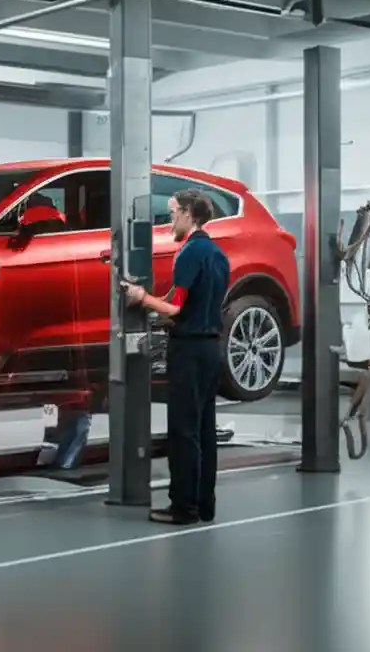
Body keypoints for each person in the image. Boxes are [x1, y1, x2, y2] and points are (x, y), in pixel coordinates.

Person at [124, 189, 230, 524]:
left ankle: (183, 508)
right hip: (212, 349)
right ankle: (204, 505)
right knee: (204, 431)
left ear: (188, 214)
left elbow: (175, 306)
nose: (170, 220)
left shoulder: (188, 254)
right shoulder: (218, 254)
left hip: (189, 350)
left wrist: (141, 297)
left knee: (183, 432)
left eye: (172, 213)